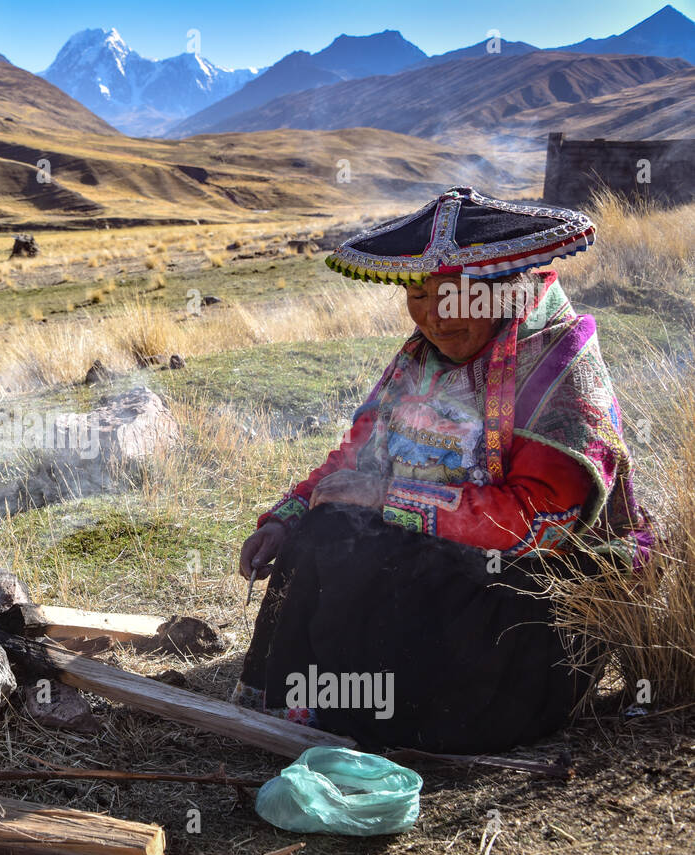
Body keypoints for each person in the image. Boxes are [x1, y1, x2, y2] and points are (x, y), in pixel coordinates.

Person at [234, 186, 654, 754]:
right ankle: (324, 704)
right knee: (327, 528)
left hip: (529, 594)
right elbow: (354, 461)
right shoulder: (422, 358)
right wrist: (285, 518)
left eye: (454, 296)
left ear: (503, 289)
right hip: (444, 566)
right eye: (418, 295)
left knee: (397, 563)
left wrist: (387, 500)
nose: (433, 317)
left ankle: (402, 720)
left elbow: (534, 526)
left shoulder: (557, 366)